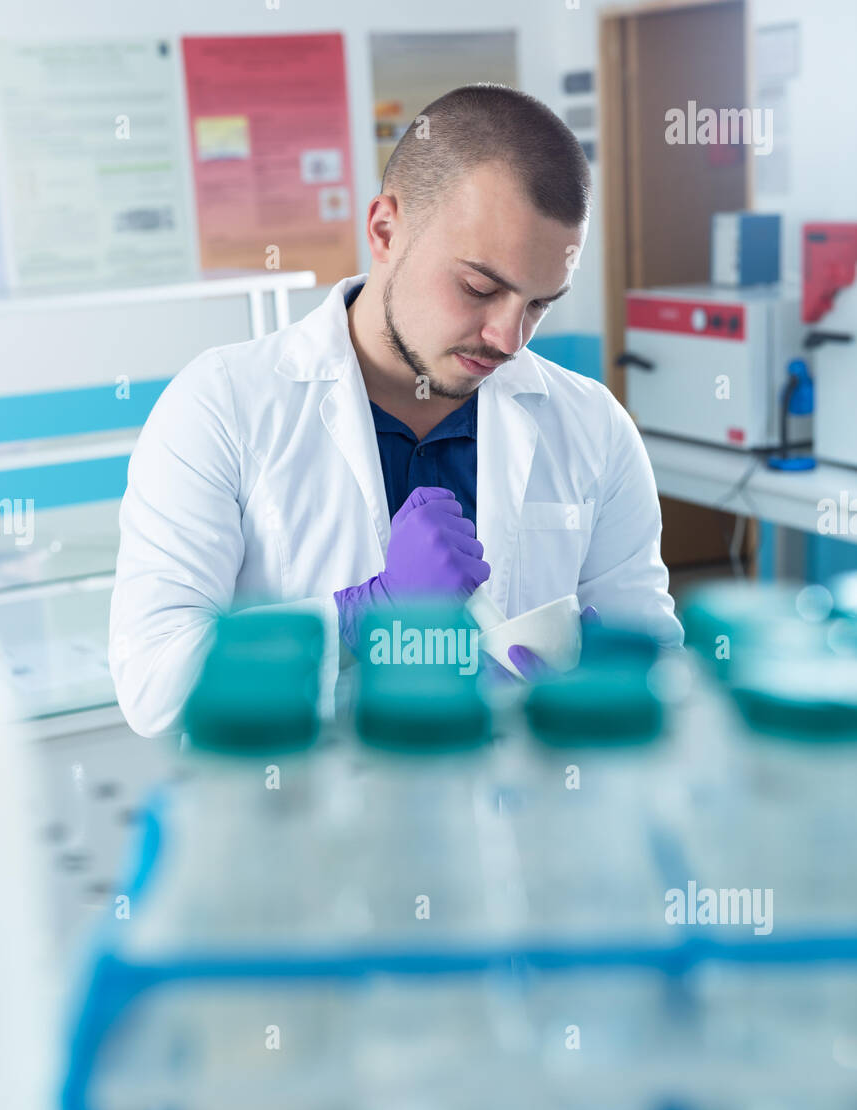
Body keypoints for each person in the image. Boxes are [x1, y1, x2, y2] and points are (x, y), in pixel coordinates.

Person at [110, 83, 682, 738]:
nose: (508, 338)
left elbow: (654, 654)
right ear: (385, 230)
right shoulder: (219, 406)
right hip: (308, 822)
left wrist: (609, 688)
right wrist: (360, 618)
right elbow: (152, 684)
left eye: (539, 304)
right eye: (479, 287)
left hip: (517, 821)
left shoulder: (592, 427)